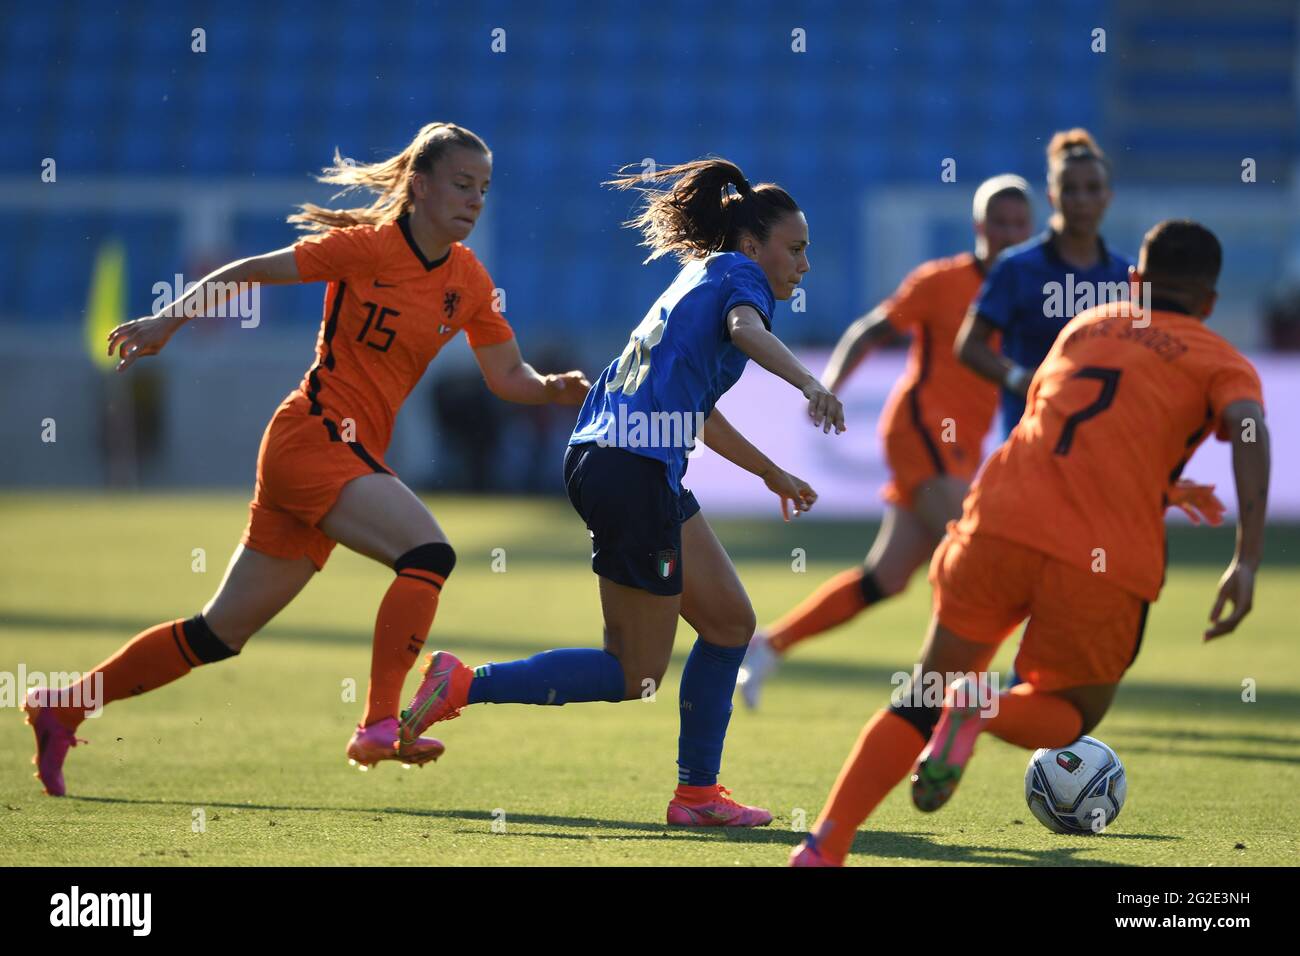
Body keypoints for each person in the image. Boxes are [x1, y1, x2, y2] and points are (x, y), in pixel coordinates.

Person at [23, 122, 590, 796]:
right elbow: (250, 270)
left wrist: (548, 389)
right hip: (313, 437)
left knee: (218, 634)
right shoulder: (368, 247)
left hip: (341, 455)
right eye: (462, 184)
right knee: (428, 554)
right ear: (419, 185)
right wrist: (167, 321)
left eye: (484, 189)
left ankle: (64, 705)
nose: (475, 200)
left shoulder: (467, 278)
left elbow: (506, 375)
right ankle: (378, 722)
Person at [790, 220, 1268, 866]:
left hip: (999, 520)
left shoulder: (1088, 326)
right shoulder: (1221, 360)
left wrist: (1161, 482)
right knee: (1073, 710)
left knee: (924, 692)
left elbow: (1071, 425)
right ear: (1209, 301)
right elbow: (1247, 428)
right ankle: (983, 709)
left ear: (1134, 281)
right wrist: (1246, 557)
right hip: (1101, 555)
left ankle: (824, 844)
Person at [396, 158, 845, 826]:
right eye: (796, 248)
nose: (804, 265)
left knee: (729, 623)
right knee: (635, 672)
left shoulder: (702, 276)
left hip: (619, 461)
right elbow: (747, 333)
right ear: (753, 245)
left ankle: (698, 795)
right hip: (632, 469)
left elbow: (695, 409)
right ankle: (462, 683)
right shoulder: (741, 279)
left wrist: (768, 472)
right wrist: (809, 382)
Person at [737, 175, 1033, 708]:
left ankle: (769, 644)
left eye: (1019, 224)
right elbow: (871, 330)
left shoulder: (1029, 290)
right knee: (978, 557)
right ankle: (967, 692)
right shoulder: (940, 281)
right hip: (922, 431)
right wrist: (827, 383)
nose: (1009, 234)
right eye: (999, 223)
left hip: (962, 446)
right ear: (978, 226)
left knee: (885, 579)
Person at [957, 128, 1131, 439]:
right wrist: (1018, 378)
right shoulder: (1017, 268)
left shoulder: (1127, 276)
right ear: (1052, 196)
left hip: (1103, 444)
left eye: (1092, 189)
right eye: (1070, 189)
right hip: (1032, 441)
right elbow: (969, 346)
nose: (1081, 200)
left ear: (1108, 197)